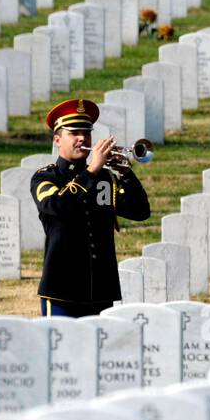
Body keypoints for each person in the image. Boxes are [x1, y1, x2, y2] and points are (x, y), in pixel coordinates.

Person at [29, 98, 151, 317]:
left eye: (86, 133)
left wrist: (126, 174)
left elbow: (140, 212)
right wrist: (92, 170)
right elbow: (57, 206)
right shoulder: (46, 177)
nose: (82, 138)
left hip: (100, 288)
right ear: (57, 140)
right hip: (61, 288)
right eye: (74, 133)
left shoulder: (104, 178)